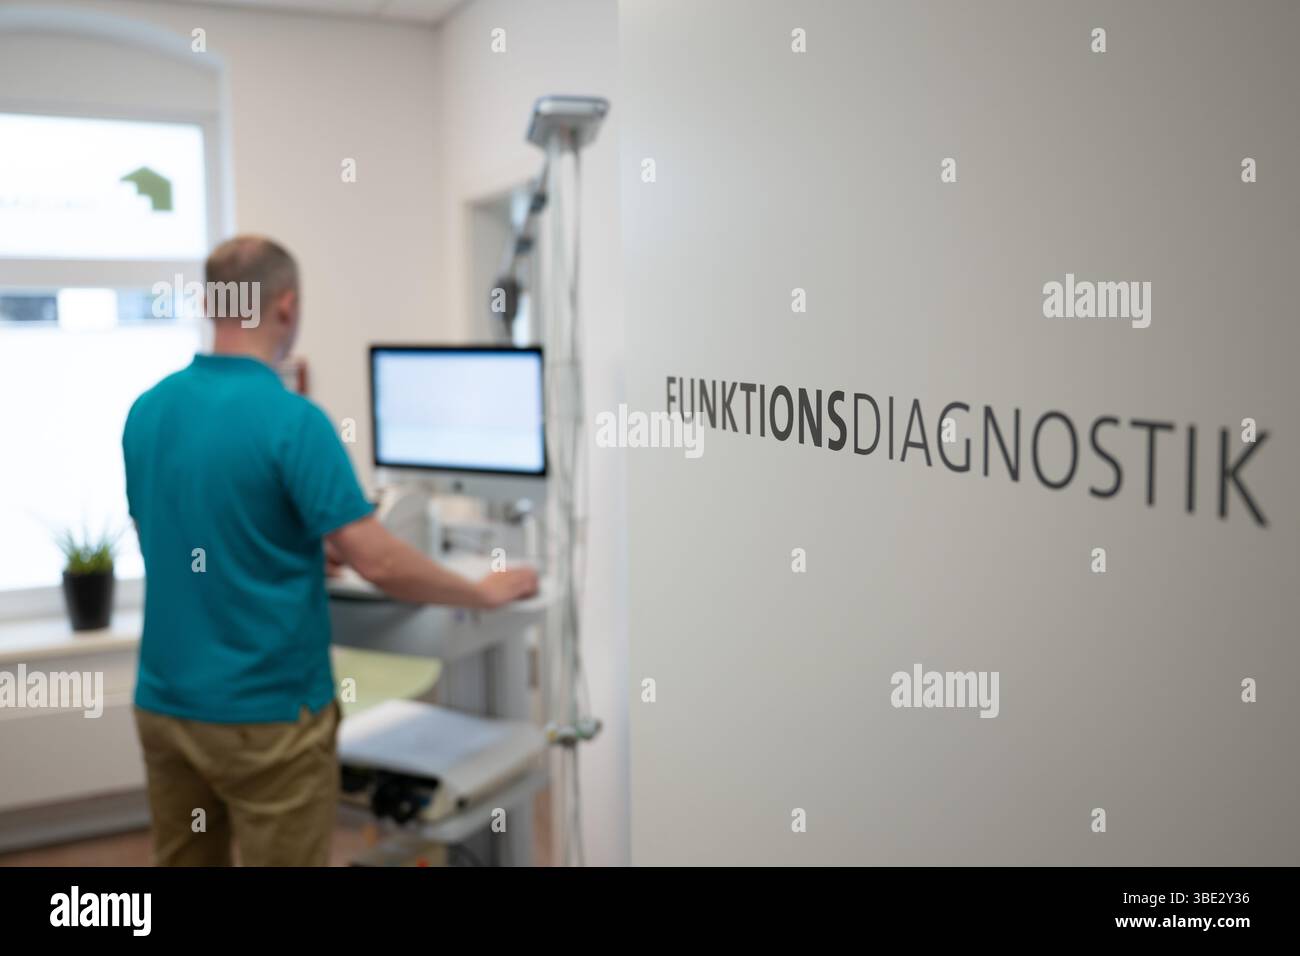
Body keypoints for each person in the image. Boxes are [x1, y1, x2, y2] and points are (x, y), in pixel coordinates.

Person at [122, 235, 538, 866]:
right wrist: (480, 591)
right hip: (266, 720)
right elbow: (378, 560)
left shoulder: (147, 412)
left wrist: (285, 550)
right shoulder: (293, 422)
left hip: (165, 705)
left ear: (211, 302)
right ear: (286, 307)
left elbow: (175, 533)